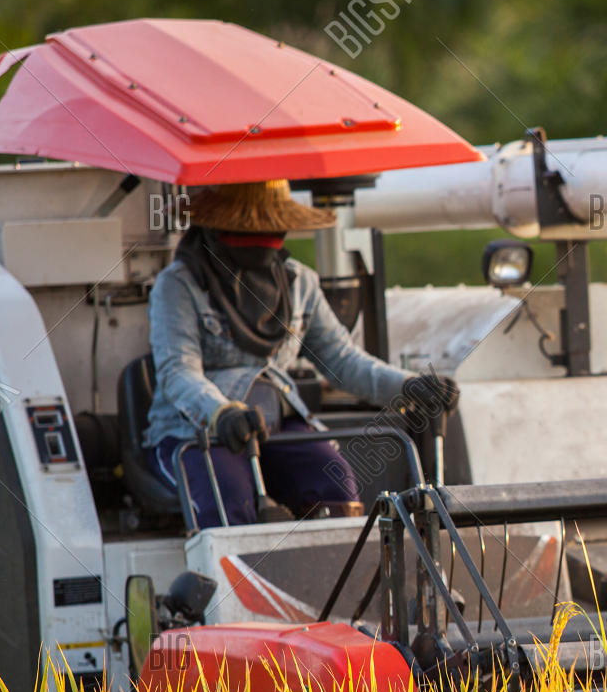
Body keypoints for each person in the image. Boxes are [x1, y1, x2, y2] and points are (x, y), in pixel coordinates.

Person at [142, 179, 457, 526]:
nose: (262, 238)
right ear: (216, 228)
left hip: (278, 422)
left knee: (334, 484)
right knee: (227, 497)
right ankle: (236, 579)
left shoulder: (299, 282)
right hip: (195, 430)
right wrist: (222, 414)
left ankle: (340, 575)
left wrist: (409, 386)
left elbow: (342, 359)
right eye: (248, 228)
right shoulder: (177, 285)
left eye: (270, 226)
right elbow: (178, 371)